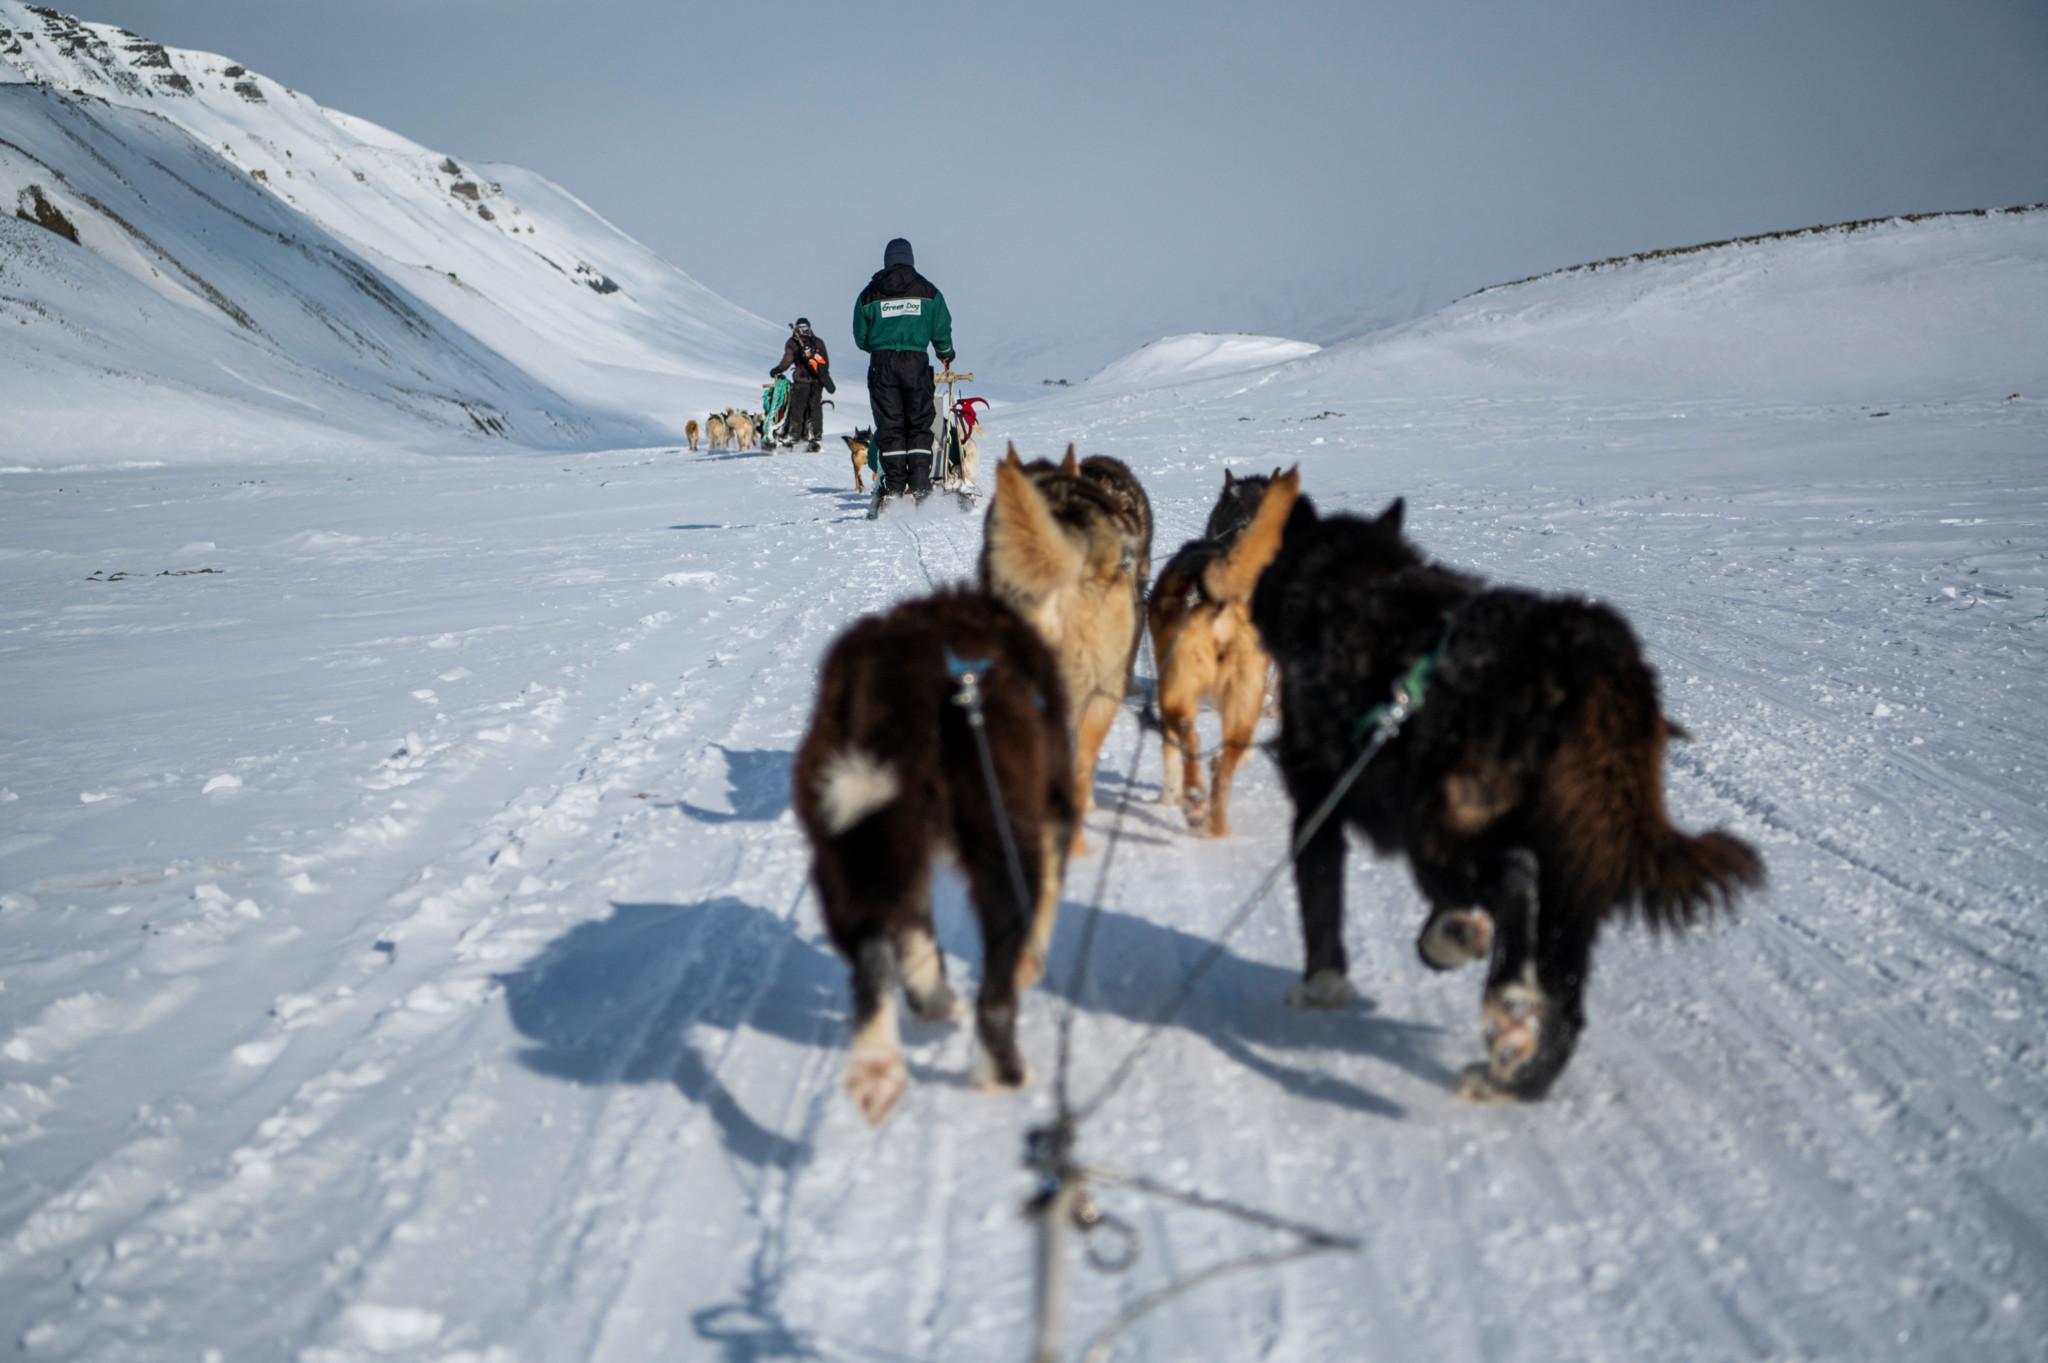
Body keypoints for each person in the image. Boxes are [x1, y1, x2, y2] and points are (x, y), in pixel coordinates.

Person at [853, 238, 954, 501]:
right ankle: (920, 485)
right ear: (911, 260)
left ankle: (894, 487)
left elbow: (860, 337)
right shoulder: (928, 291)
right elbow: (941, 328)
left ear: (887, 261)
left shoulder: (869, 294)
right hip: (915, 363)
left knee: (890, 425)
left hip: (882, 365)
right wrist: (945, 353)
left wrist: (880, 348)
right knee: (919, 424)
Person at [770, 318, 832, 451]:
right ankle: (816, 437)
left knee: (797, 409)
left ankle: (794, 437)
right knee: (815, 408)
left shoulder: (792, 342)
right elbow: (825, 363)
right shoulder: (818, 341)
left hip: (801, 380)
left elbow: (787, 361)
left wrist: (776, 370)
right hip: (817, 381)